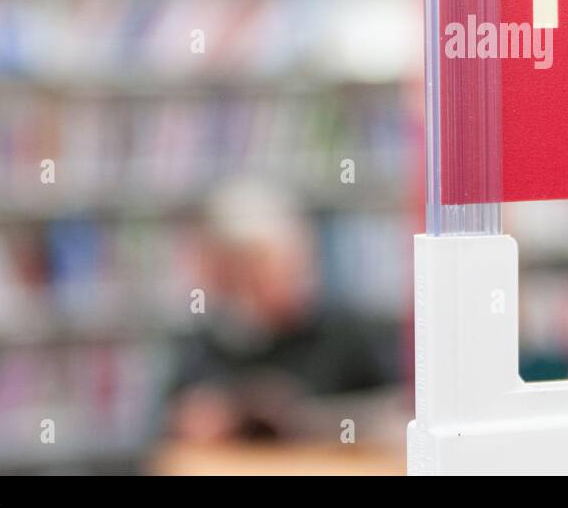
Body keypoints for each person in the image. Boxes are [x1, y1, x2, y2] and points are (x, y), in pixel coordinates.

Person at [166, 179, 399, 443]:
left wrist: (305, 419)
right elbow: (166, 427)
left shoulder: (346, 332)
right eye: (274, 270)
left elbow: (394, 412)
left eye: (298, 265)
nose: (297, 280)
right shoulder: (210, 340)